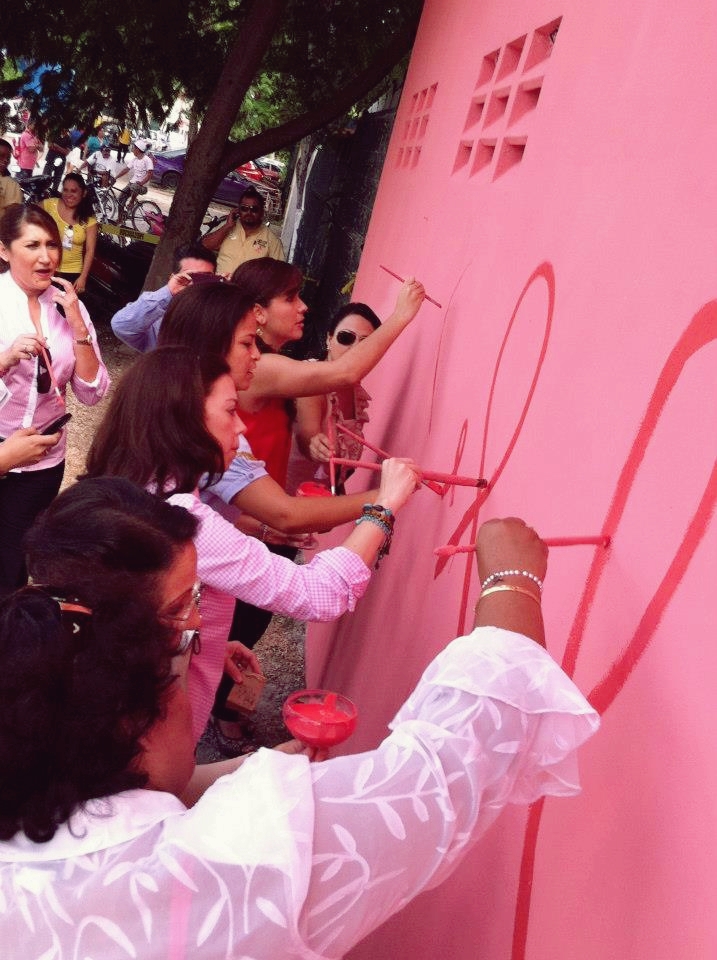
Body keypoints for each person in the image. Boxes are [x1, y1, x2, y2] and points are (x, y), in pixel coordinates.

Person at [0, 505, 599, 957]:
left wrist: (250, 771)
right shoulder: (238, 855)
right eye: (176, 664)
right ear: (135, 719)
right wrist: (512, 577)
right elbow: (448, 767)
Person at [84, 345, 420, 744]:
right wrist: (384, 506)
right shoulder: (180, 521)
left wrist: (200, 645)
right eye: (230, 411)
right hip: (143, 740)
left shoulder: (129, 489)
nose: (242, 428)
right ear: (184, 420)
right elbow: (319, 594)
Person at [0, 203, 109, 594]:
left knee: (16, 564)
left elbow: (92, 392)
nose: (46, 257)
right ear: (4, 250)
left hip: (44, 460)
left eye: (52, 245)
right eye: (32, 245)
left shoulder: (66, 306)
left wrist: (78, 323)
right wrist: (4, 361)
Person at [286, 301, 382, 495]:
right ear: (329, 339)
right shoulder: (313, 378)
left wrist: (336, 493)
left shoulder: (355, 392)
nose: (355, 348)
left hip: (317, 508)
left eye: (365, 342)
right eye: (346, 338)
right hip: (284, 502)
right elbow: (308, 439)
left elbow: (337, 472)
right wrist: (314, 445)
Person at [110, 242, 217, 351]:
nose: (197, 284)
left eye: (206, 278)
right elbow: (121, 326)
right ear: (173, 278)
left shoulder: (220, 316)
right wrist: (168, 292)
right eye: (190, 277)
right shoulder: (156, 317)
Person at [202, 185, 284, 274]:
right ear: (238, 210)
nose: (249, 213)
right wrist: (227, 226)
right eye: (244, 208)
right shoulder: (227, 227)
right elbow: (206, 245)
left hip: (247, 288)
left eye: (254, 209)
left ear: (261, 212)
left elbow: (279, 273)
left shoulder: (272, 241)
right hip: (221, 285)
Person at [42, 172, 98, 293]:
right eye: (65, 190)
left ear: (83, 193)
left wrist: (83, 277)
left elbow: (90, 251)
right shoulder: (51, 204)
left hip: (72, 273)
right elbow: (29, 217)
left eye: (74, 191)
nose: (68, 195)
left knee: (63, 310)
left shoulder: (89, 220)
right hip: (47, 267)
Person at [115, 138, 154, 217]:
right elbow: (126, 169)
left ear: (138, 149)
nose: (132, 150)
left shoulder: (147, 160)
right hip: (132, 184)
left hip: (142, 186)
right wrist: (115, 177)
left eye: (134, 148)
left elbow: (150, 174)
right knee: (120, 198)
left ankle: (132, 202)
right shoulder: (135, 159)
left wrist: (141, 183)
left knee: (135, 186)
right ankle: (121, 218)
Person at [41, 127, 72, 194]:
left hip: (61, 162)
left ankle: (53, 194)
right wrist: (62, 150)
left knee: (57, 180)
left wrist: (56, 146)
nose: (65, 130)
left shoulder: (68, 138)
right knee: (45, 178)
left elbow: (66, 152)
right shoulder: (54, 134)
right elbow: (50, 145)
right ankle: (42, 193)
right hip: (51, 159)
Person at [0, 139, 22, 216]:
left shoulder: (12, 184)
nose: (6, 160)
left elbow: (12, 215)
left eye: (8, 158)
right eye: (1, 156)